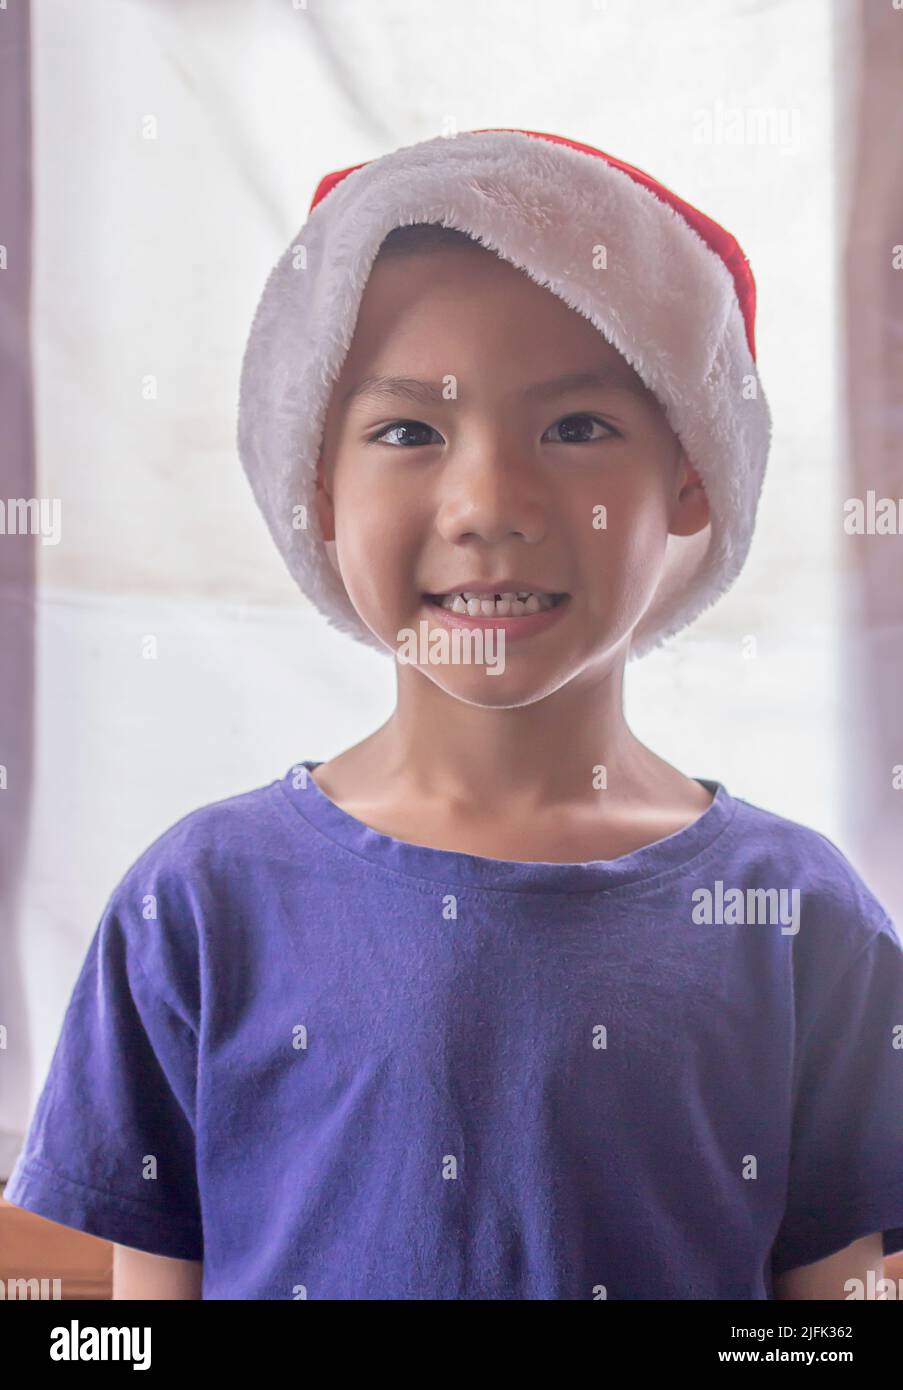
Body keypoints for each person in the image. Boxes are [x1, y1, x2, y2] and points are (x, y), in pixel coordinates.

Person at [5, 129, 903, 1301]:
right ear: (314, 482)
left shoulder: (800, 915)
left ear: (695, 471)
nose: (488, 503)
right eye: (409, 431)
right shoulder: (197, 901)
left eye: (577, 427)